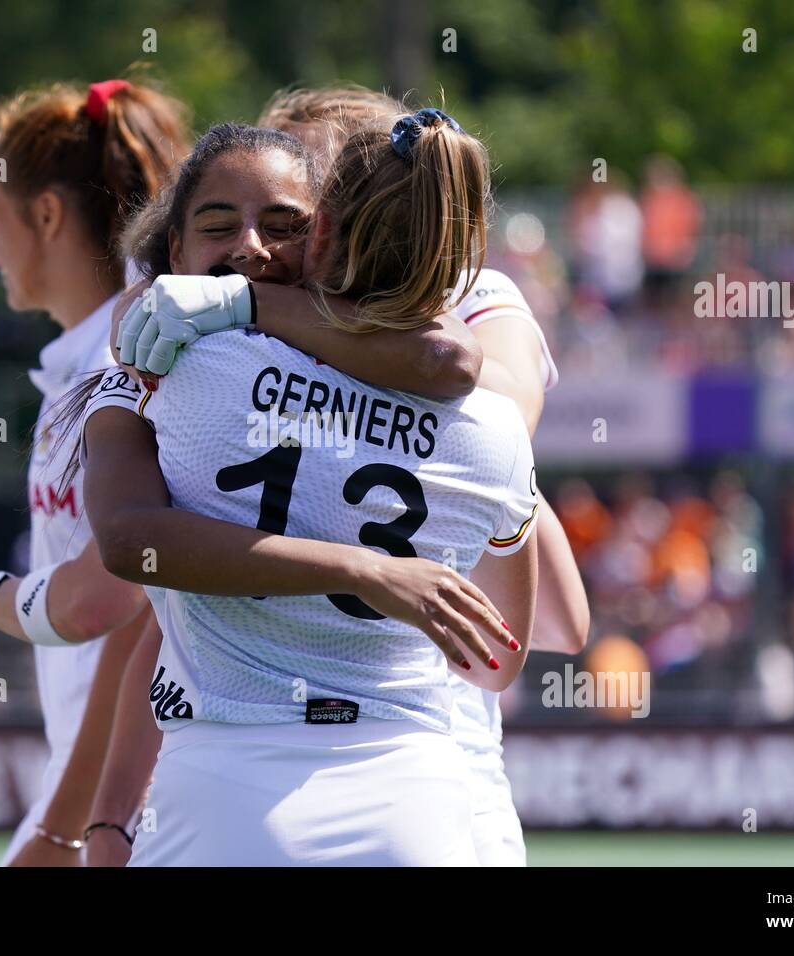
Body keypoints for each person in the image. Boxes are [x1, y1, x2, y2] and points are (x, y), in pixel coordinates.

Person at [123, 85, 589, 865]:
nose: (257, 247)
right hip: (420, 781)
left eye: (289, 214)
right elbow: (527, 641)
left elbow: (129, 543)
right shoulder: (491, 428)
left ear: (326, 222)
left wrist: (244, 306)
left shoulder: (200, 348)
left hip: (238, 770)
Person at [0, 78, 189, 866]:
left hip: (133, 805)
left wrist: (65, 826)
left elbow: (137, 603)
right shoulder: (94, 355)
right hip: (113, 797)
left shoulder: (128, 356)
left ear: (46, 215)